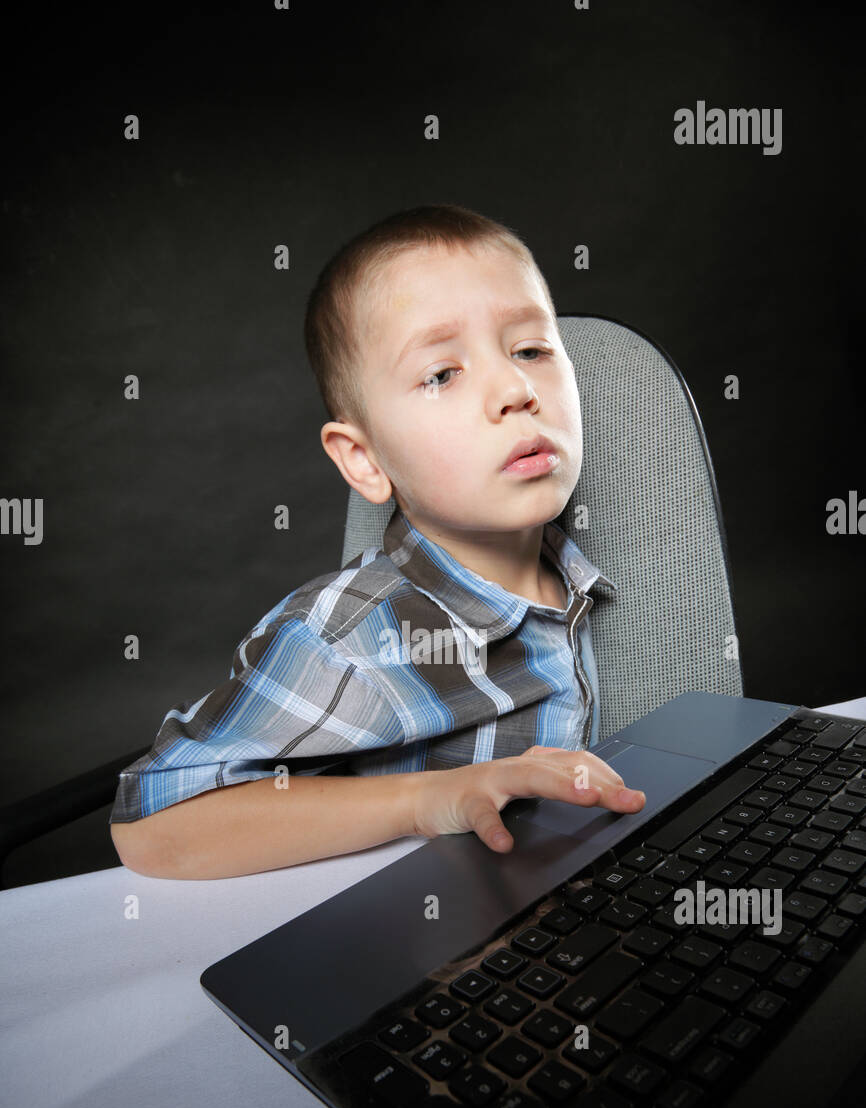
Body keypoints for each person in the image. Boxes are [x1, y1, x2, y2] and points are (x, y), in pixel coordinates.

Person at [110, 204, 645, 879]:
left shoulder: (578, 576)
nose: (515, 389)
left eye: (531, 350)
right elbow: (152, 824)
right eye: (442, 374)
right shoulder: (349, 640)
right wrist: (433, 799)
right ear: (364, 461)